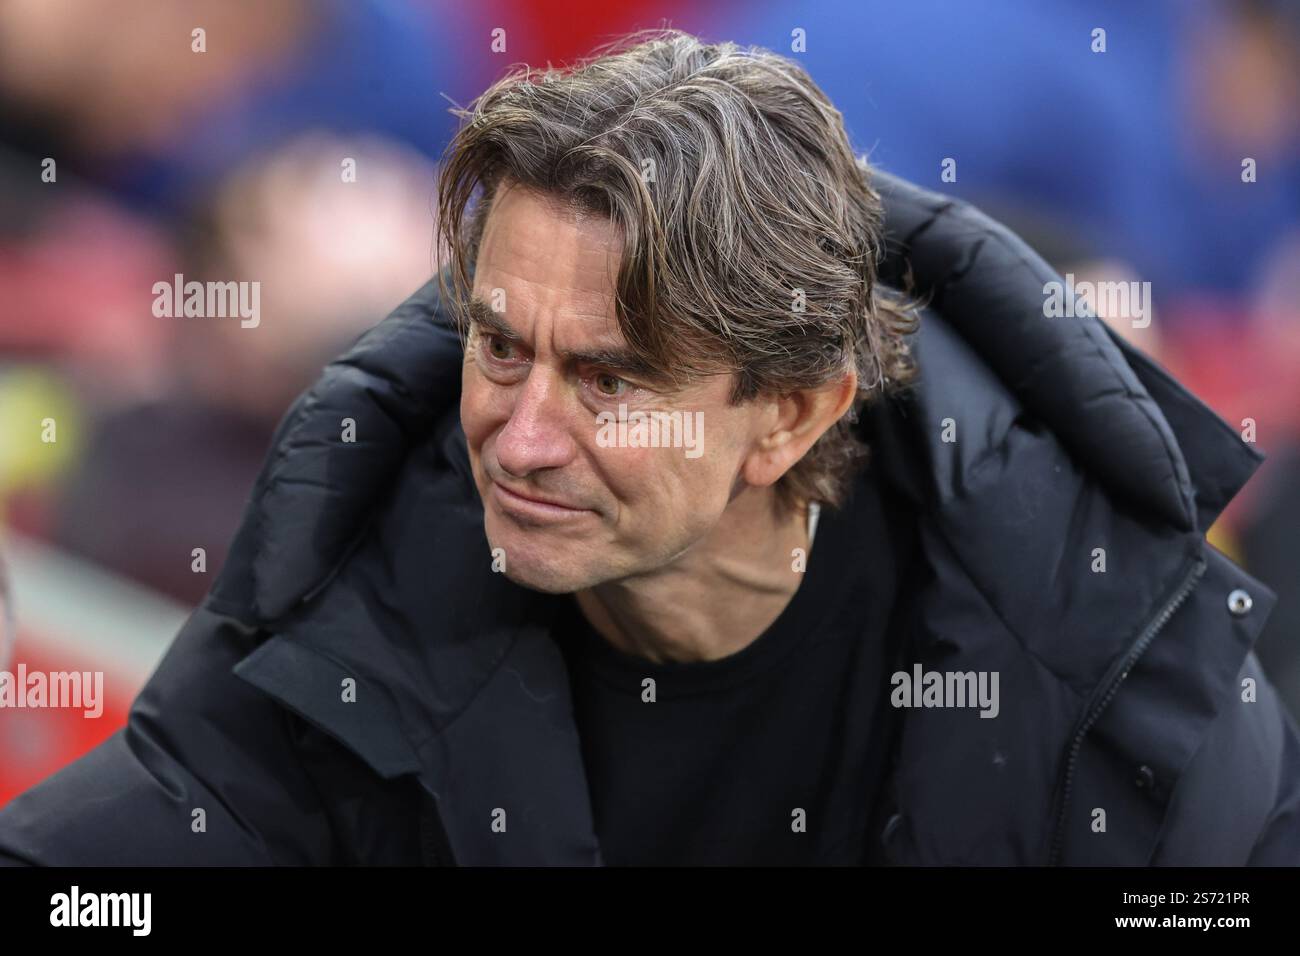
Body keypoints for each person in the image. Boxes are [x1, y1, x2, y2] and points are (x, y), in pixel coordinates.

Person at [1, 30, 1297, 866]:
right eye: (500, 347)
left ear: (794, 413)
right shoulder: (351, 597)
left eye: (611, 381)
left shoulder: (1111, 664)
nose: (521, 435)